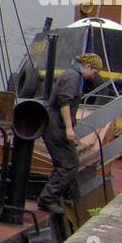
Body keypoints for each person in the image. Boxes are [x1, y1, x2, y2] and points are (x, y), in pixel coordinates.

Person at [37, 52, 103, 214]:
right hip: (56, 125)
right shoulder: (73, 77)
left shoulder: (73, 75)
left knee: (67, 162)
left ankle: (51, 195)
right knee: (69, 164)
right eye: (94, 72)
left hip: (56, 123)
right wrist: (68, 128)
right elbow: (64, 102)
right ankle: (47, 199)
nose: (92, 76)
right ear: (87, 66)